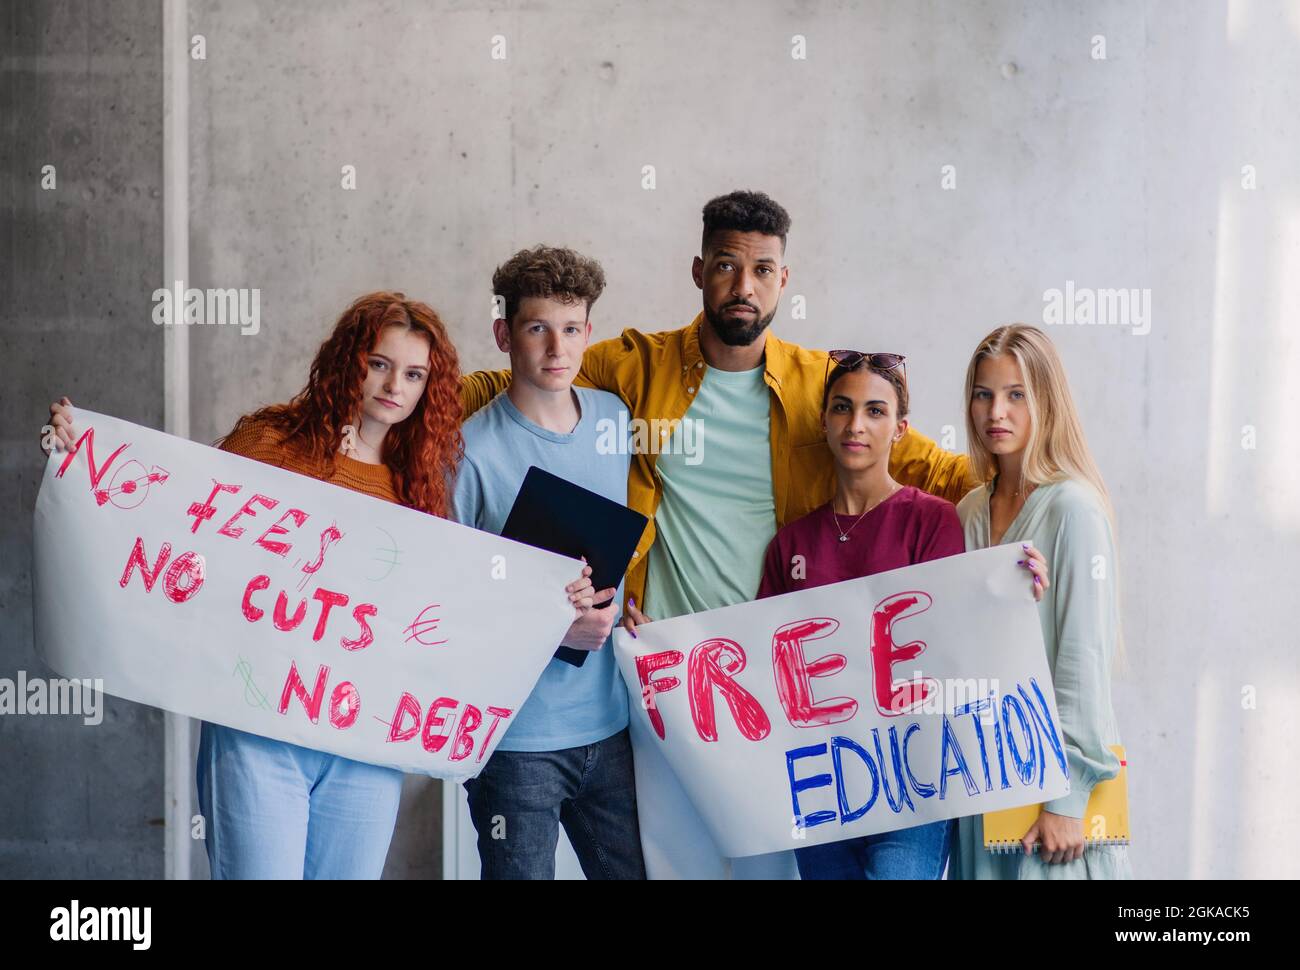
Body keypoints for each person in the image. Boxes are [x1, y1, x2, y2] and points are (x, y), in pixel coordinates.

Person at [460, 190, 979, 879]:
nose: (745, 286)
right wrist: (381, 402)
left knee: (773, 866)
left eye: (763, 270)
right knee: (676, 865)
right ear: (699, 269)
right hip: (666, 669)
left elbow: (920, 461)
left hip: (777, 675)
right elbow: (519, 375)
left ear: (783, 281)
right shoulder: (638, 368)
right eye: (728, 266)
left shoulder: (821, 387)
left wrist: (1031, 502)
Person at [42, 291, 596, 879]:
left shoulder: (422, 484)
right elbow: (180, 516)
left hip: (365, 739)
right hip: (258, 729)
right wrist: (84, 460)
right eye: (378, 364)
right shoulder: (273, 442)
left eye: (414, 374)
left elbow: (450, 605)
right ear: (348, 360)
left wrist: (553, 598)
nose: (394, 386)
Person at [755, 351, 1048, 878]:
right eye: (842, 408)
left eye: (875, 411)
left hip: (915, 774)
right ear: (823, 421)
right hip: (823, 781)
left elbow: (953, 639)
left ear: (900, 428)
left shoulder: (932, 521)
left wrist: (1014, 589)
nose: (855, 425)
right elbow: (763, 660)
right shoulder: (790, 543)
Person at [451, 246, 646, 879]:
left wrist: (626, 604)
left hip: (611, 727)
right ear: (504, 334)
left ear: (588, 334)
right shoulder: (470, 453)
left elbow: (611, 551)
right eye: (537, 328)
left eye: (570, 329)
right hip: (515, 742)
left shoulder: (616, 422)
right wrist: (547, 626)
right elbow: (446, 602)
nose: (556, 348)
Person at [948, 324, 1132, 879]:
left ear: (1045, 401)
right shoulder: (968, 513)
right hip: (982, 785)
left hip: (1051, 801)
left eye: (1015, 394)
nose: (995, 411)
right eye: (983, 394)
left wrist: (1067, 800)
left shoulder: (1072, 510)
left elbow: (1083, 660)